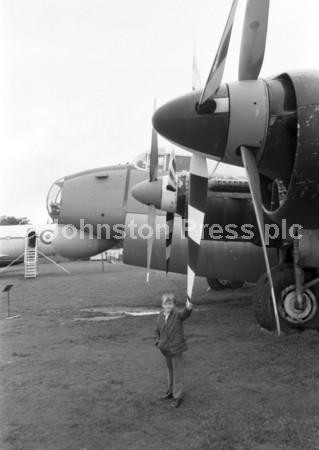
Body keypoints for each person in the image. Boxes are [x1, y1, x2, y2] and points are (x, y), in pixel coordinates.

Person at [154, 293, 193, 408]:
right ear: (162, 305)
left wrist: (188, 308)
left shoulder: (177, 314)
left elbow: (185, 314)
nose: (168, 305)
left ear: (173, 304)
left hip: (176, 349)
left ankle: (178, 397)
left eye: (170, 303)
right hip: (165, 349)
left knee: (177, 373)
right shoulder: (160, 315)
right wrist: (158, 341)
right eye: (165, 303)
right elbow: (156, 330)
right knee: (170, 371)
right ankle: (170, 392)